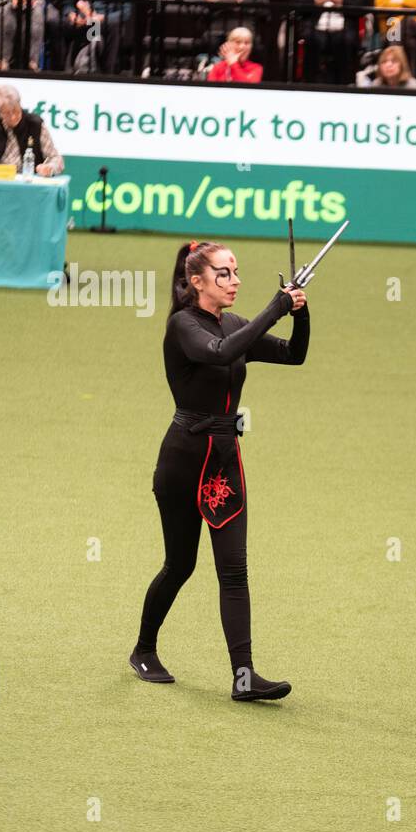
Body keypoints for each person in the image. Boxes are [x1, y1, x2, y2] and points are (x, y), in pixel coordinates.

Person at [133, 241, 310, 702]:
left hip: (224, 462)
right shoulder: (183, 325)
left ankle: (243, 677)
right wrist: (275, 308)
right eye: (224, 273)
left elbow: (294, 355)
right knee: (180, 565)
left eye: (236, 273)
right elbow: (219, 351)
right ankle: (144, 649)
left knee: (234, 570)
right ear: (196, 280)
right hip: (182, 462)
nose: (234, 282)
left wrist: (299, 312)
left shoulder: (235, 325)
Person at [0, 83, 65, 174]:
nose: (13, 117)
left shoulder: (35, 124)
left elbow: (56, 158)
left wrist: (50, 167)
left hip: (28, 177)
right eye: (7, 113)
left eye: (15, 111)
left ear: (19, 104)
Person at [293, 0, 371, 84]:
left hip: (344, 30)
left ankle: (345, 84)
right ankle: (310, 83)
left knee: (346, 40)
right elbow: (296, 2)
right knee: (311, 39)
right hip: (315, 29)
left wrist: (342, 3)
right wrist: (315, 2)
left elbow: (364, 4)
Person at [0, 0, 62, 71]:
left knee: (37, 13)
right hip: (8, 0)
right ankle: (3, 61)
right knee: (6, 13)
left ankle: (32, 62)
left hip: (38, 0)